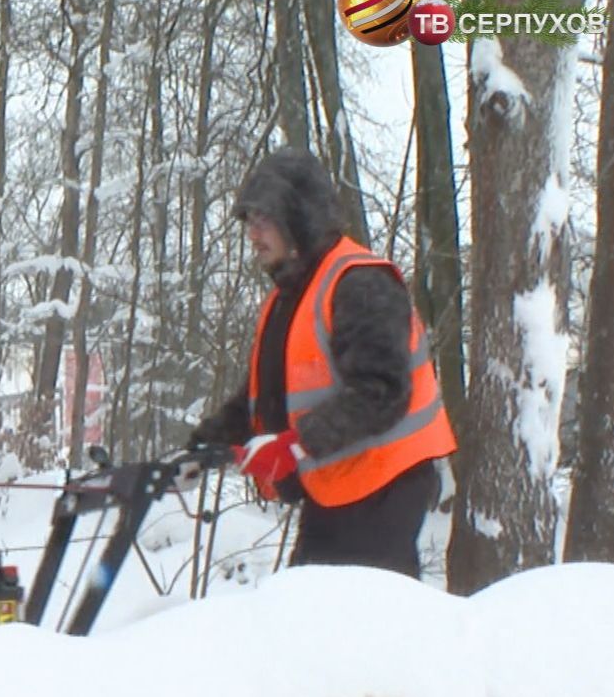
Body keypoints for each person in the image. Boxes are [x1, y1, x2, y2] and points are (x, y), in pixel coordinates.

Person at [189, 147, 457, 578]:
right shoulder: (289, 299)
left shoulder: (360, 283)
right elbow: (262, 398)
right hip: (338, 486)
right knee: (310, 613)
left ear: (299, 220)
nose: (253, 236)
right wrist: (201, 447)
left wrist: (294, 445)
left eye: (264, 221)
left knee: (349, 623)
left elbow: (381, 392)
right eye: (249, 223)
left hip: (385, 483)